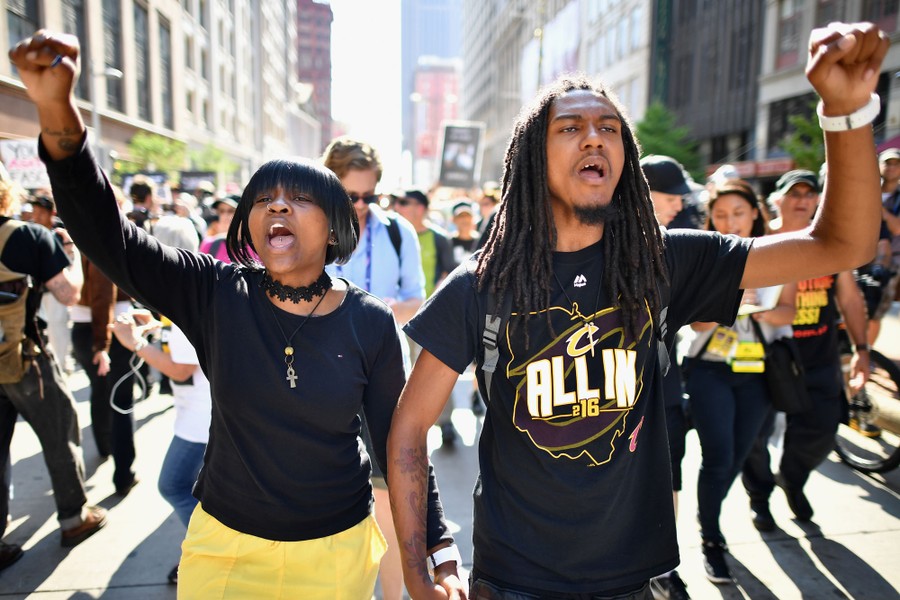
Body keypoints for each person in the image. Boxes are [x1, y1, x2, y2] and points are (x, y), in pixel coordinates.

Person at [386, 22, 889, 599]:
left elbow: (843, 245)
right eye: (569, 128)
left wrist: (846, 114)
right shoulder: (480, 284)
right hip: (513, 581)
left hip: (636, 579)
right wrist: (419, 570)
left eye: (608, 128)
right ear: (531, 158)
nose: (594, 138)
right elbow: (408, 430)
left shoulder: (664, 262)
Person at [9, 30, 452, 599]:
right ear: (247, 224)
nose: (278, 204)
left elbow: (401, 446)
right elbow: (109, 238)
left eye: (301, 197)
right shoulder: (214, 291)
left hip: (335, 552)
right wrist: (57, 117)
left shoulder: (370, 322)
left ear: (338, 226)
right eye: (264, 198)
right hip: (224, 549)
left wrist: (434, 550)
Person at [322, 137, 426, 600]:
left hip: (384, 379)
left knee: (387, 498)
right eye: (351, 196)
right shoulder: (312, 227)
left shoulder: (398, 231)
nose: (361, 206)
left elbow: (417, 300)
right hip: (322, 380)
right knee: (328, 501)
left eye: (370, 196)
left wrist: (377, 310)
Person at [741, 169, 870, 530]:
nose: (802, 200)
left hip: (818, 356)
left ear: (817, 200)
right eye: (793, 193)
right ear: (776, 199)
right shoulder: (759, 242)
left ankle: (792, 479)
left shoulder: (829, 244)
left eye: (809, 194)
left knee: (823, 428)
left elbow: (850, 299)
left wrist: (862, 349)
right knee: (754, 436)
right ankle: (760, 497)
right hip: (764, 353)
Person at [685, 179, 796, 584]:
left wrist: (763, 311)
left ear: (755, 214)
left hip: (757, 374)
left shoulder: (784, 255)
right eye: (721, 215)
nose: (730, 222)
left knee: (737, 456)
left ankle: (709, 511)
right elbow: (696, 323)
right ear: (710, 217)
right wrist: (734, 302)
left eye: (738, 213)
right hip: (710, 369)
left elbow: (790, 310)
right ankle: (712, 538)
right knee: (717, 457)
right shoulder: (702, 257)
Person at [0, 178, 105, 571]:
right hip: (25, 360)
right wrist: (71, 255)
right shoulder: (28, 237)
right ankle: (74, 519)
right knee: (60, 432)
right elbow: (68, 294)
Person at [108, 215, 209, 585]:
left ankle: (206, 553)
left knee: (174, 485)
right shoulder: (190, 286)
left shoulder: (184, 293)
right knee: (200, 491)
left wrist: (135, 342)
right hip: (200, 415)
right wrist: (154, 325)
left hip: (202, 418)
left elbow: (182, 368)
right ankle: (205, 552)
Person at [640, 154, 694, 600]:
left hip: (667, 384)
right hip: (612, 396)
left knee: (670, 475)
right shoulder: (594, 240)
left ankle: (664, 566)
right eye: (670, 195)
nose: (679, 204)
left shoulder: (675, 245)